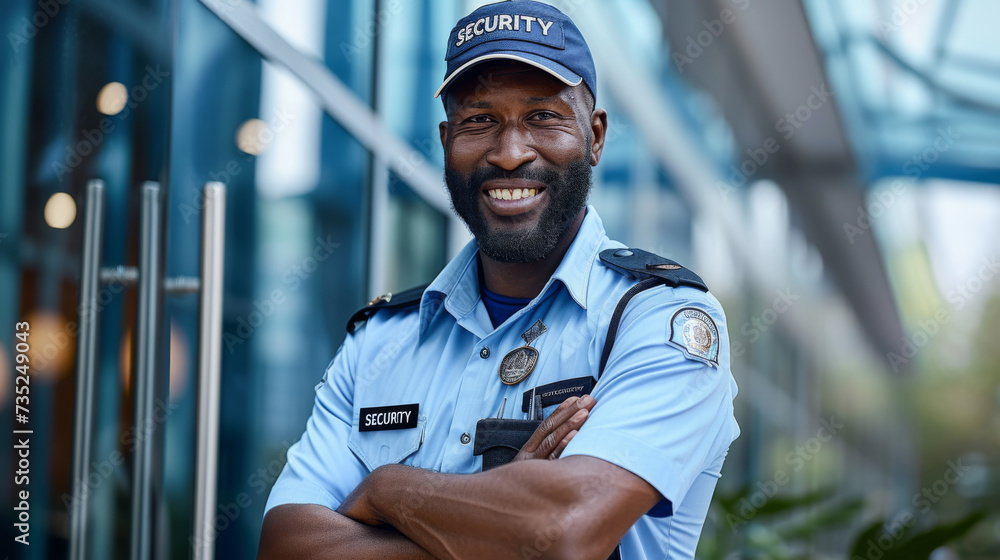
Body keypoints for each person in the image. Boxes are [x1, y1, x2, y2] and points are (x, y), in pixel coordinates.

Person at [258, 1, 739, 558]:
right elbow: (289, 545)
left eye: (543, 117)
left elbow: (564, 531)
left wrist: (386, 491)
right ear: (446, 142)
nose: (510, 155)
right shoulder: (379, 343)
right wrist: (499, 513)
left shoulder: (657, 320)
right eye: (479, 120)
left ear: (596, 136)